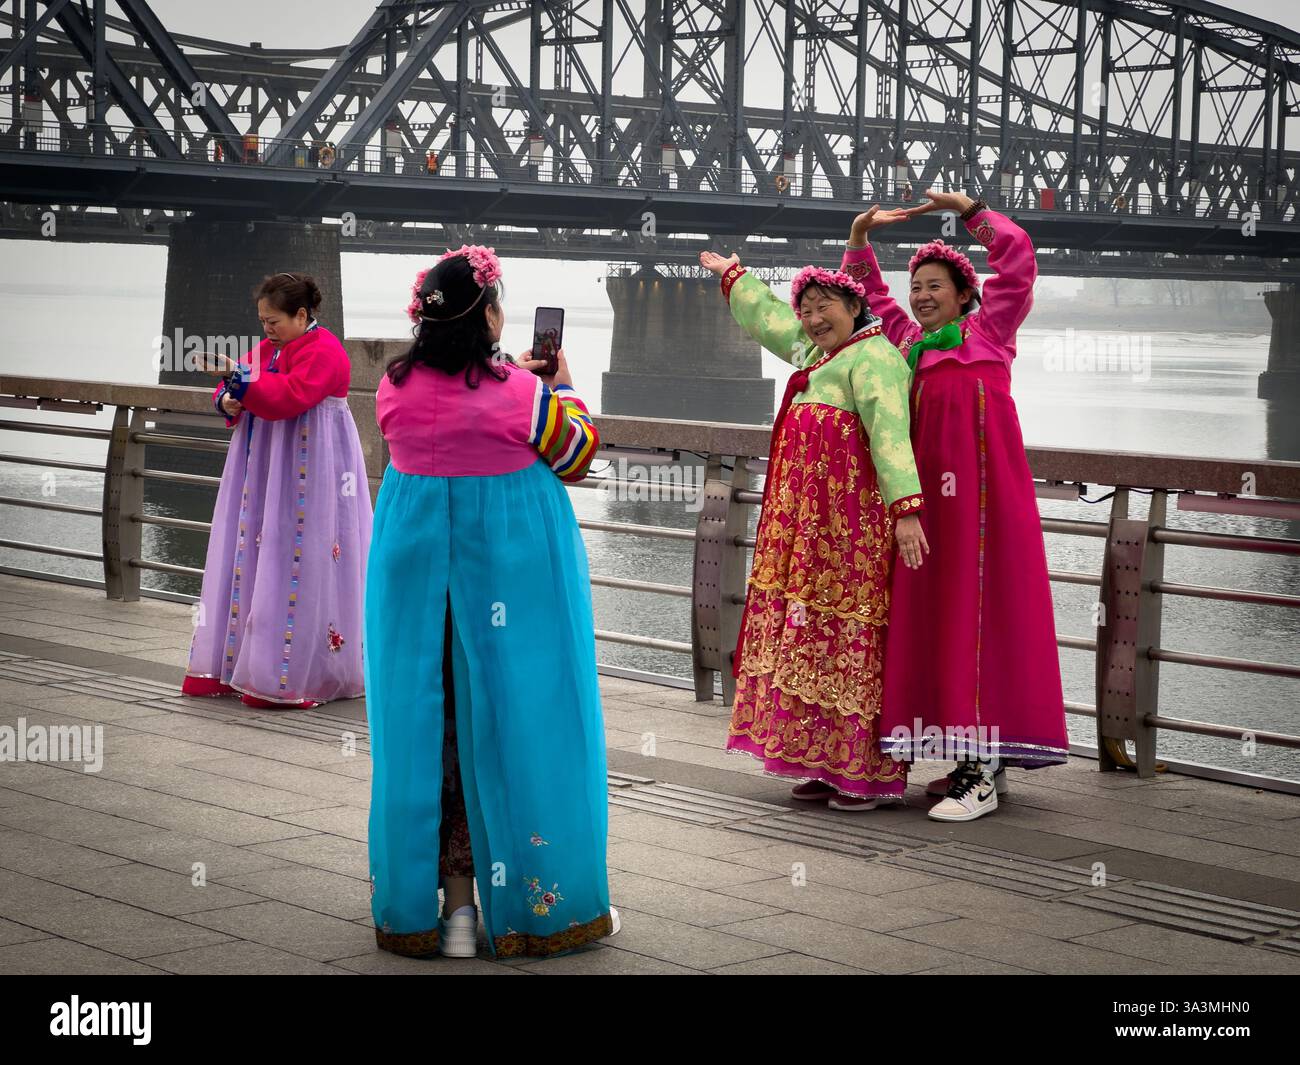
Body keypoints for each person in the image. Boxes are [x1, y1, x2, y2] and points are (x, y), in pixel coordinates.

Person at [365, 245, 618, 958]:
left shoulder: (393, 386)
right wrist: (565, 388)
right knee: (518, 726)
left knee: (427, 731)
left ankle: (440, 911)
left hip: (415, 590)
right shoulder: (519, 391)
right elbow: (575, 454)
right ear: (489, 315)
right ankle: (535, 907)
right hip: (508, 592)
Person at [844, 191, 1069, 822]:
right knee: (940, 622)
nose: (919, 295)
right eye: (916, 286)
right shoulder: (910, 345)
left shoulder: (991, 329)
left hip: (990, 506)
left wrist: (973, 212)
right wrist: (860, 238)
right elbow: (871, 300)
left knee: (985, 621)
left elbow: (1018, 258)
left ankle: (982, 773)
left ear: (965, 293)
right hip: (931, 513)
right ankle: (962, 758)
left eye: (934, 285)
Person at [698, 247, 927, 811]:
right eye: (808, 310)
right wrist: (735, 276)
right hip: (803, 537)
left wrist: (908, 513)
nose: (813, 319)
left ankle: (867, 774)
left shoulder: (874, 360)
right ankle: (824, 763)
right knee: (811, 645)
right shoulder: (817, 354)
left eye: (825, 306)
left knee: (852, 646)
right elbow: (770, 319)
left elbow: (893, 440)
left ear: (855, 305)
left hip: (852, 537)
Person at [182, 271, 370, 709]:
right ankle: (247, 666)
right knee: (256, 552)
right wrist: (227, 398)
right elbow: (238, 384)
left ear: (302, 315)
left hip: (310, 467)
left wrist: (240, 383)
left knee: (302, 555)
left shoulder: (326, 351)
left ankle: (298, 675)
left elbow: (291, 396)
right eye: (263, 322)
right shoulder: (273, 348)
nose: (266, 330)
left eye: (274, 321)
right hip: (267, 467)